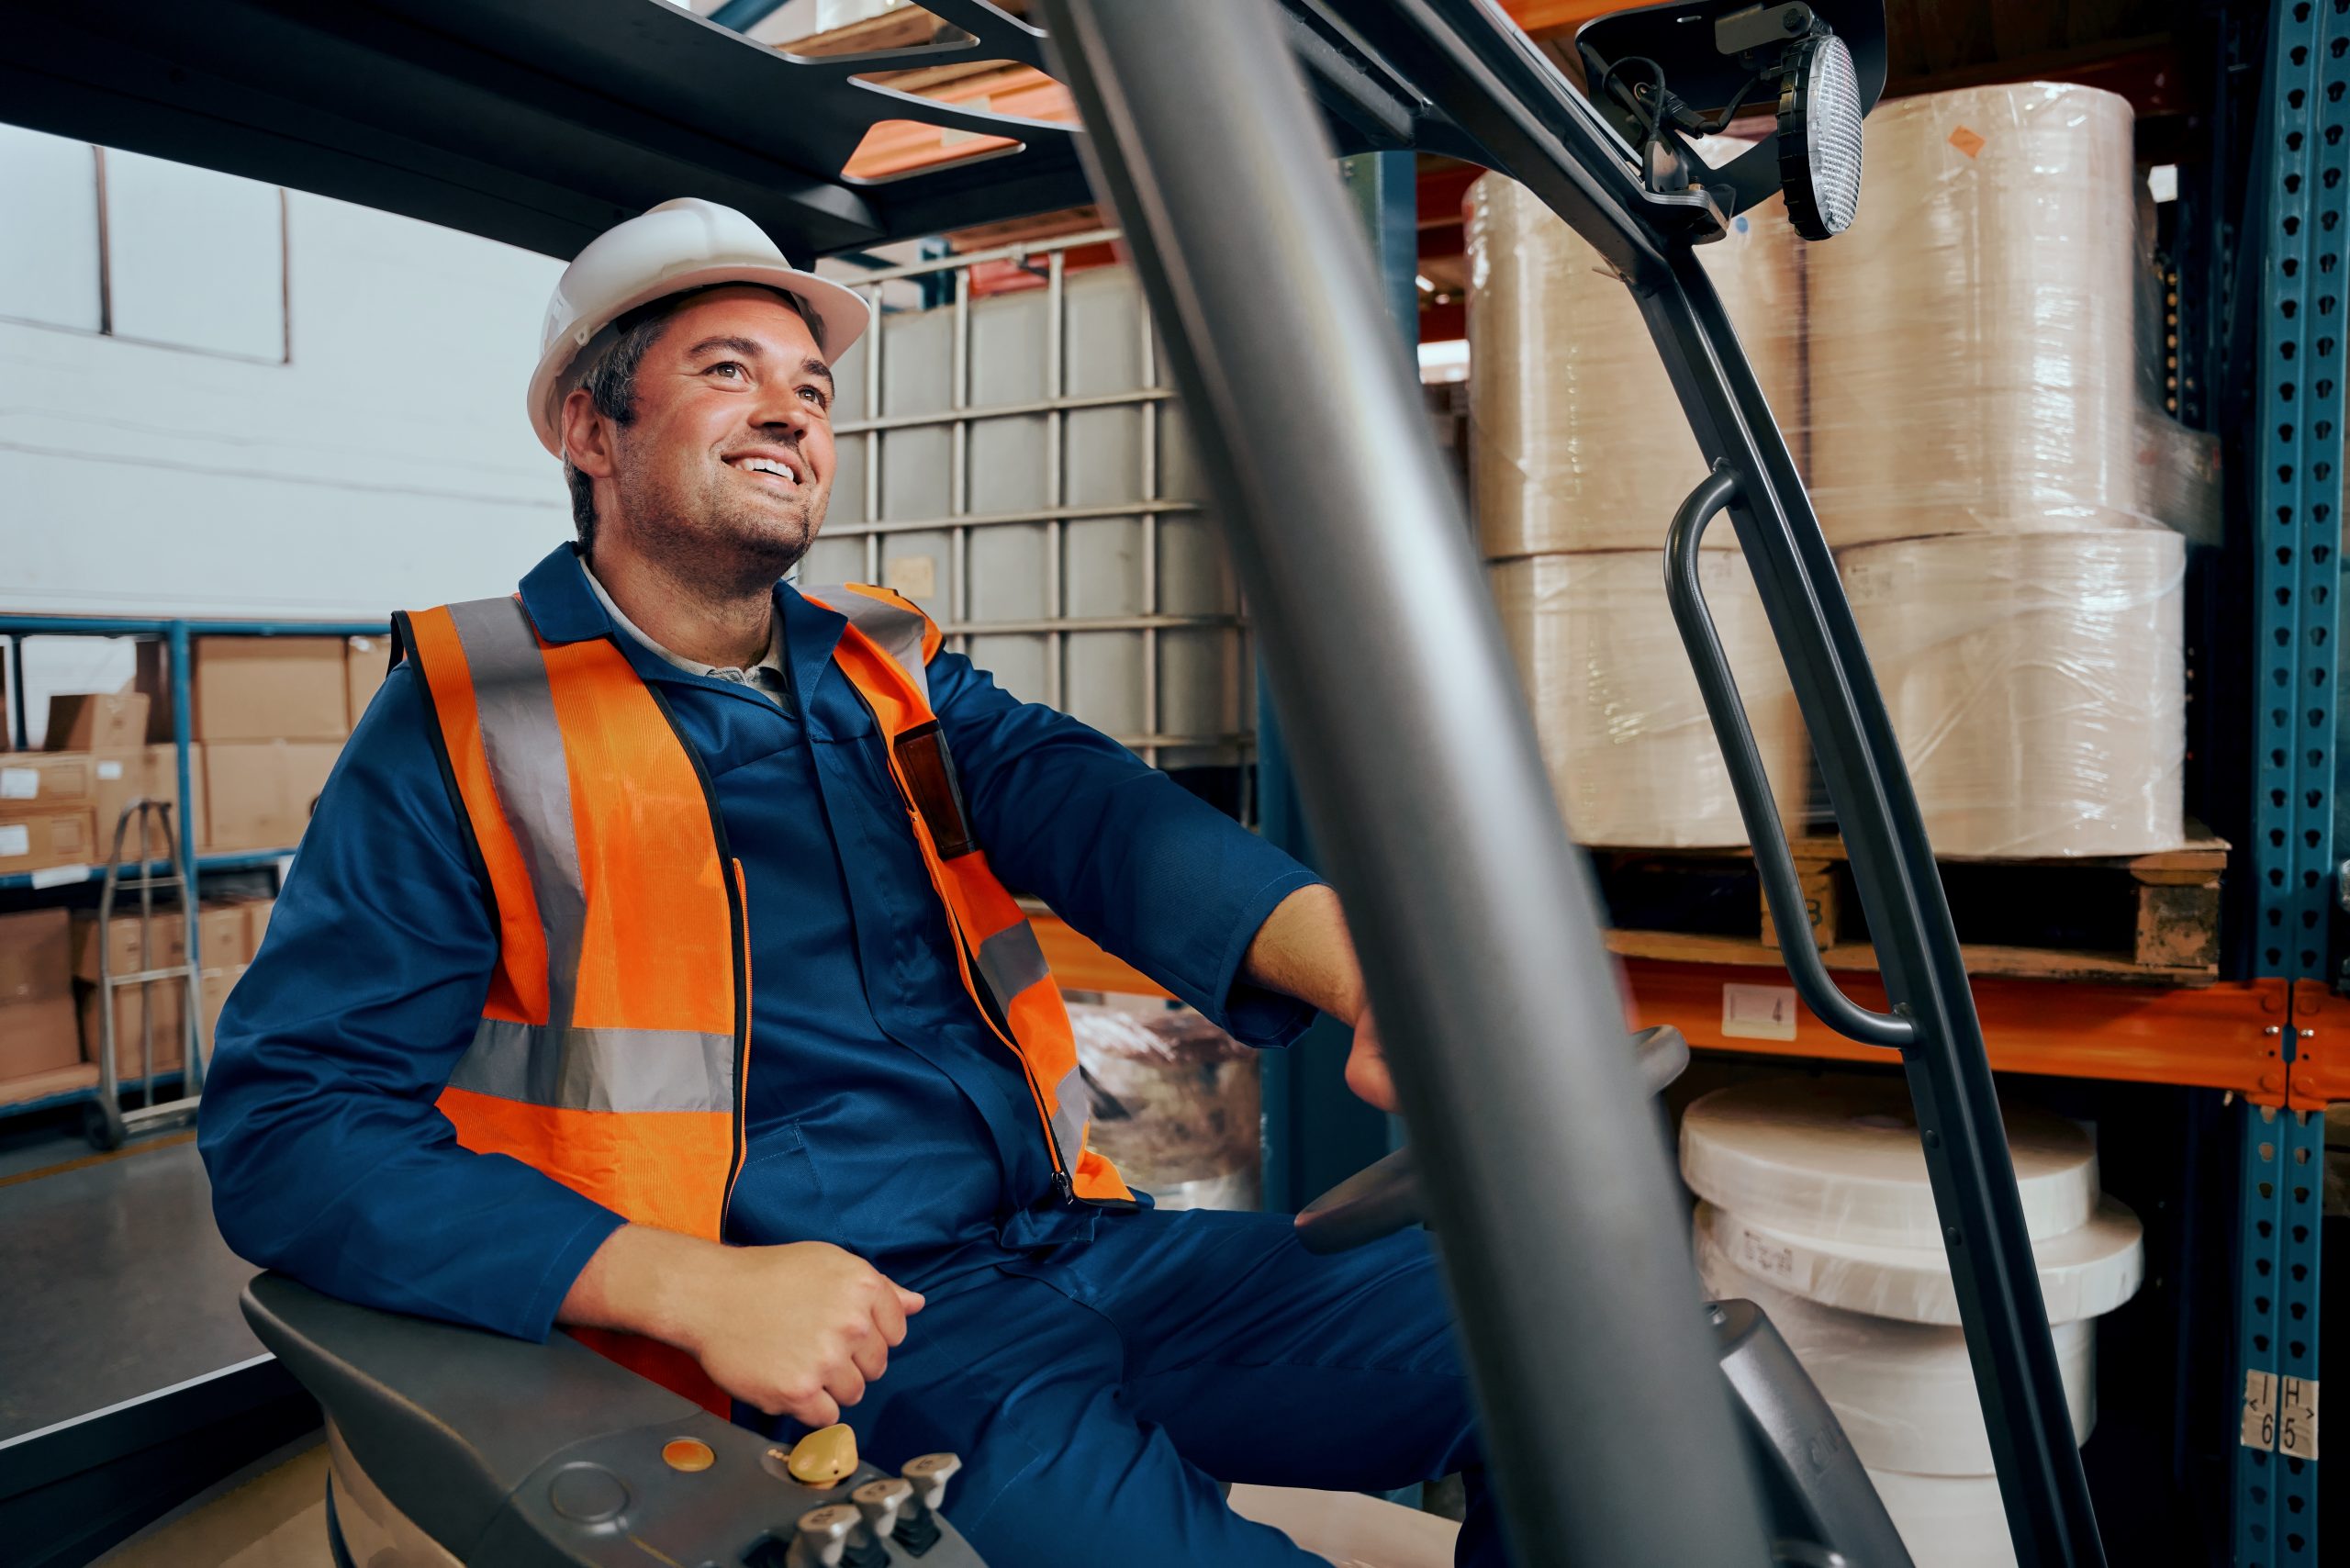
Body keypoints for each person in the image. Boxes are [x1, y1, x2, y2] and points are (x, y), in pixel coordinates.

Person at [200, 198, 1503, 1566]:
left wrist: (1374, 978)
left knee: (1588, 1350)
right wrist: (684, 1286)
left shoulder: (891, 674)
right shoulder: (469, 726)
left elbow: (1100, 814)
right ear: (591, 432)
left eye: (809, 387)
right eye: (727, 371)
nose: (790, 413)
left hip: (1074, 1246)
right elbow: (293, 1125)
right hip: (834, 1337)